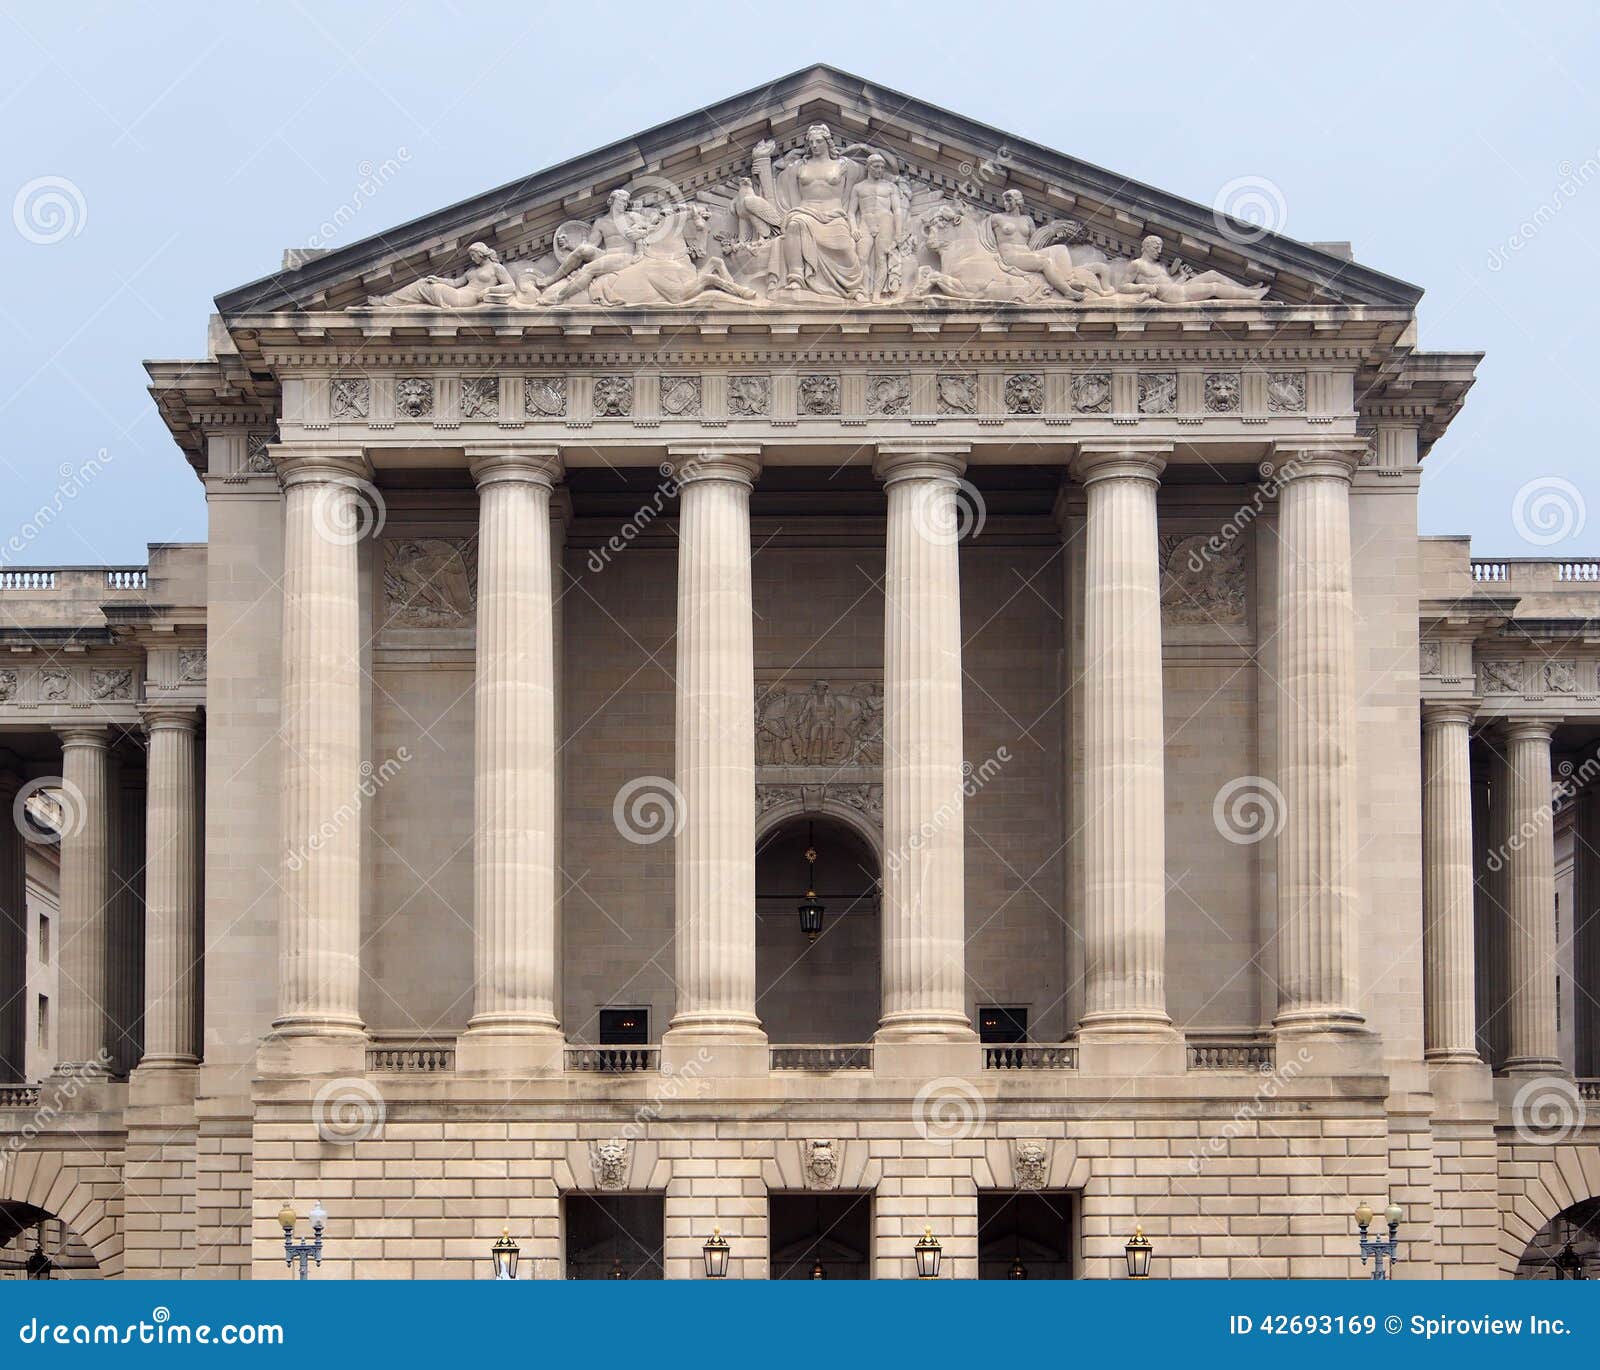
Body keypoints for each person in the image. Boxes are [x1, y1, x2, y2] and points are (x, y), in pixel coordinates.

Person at [1119, 235, 1270, 304]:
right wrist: (1144, 287)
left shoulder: (1160, 266)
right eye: (1156, 247)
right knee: (1213, 287)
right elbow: (1123, 286)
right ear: (1146, 247)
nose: (1159, 251)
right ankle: (1253, 296)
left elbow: (1171, 285)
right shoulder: (1137, 264)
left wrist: (1183, 277)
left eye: (1160, 248)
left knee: (1212, 274)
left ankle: (1246, 289)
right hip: (1171, 295)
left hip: (1176, 289)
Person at [367, 242, 515, 308]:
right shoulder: (471, 270)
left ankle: (386, 302)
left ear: (481, 253)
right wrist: (438, 279)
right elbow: (456, 283)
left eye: (473, 255)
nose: (472, 258)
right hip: (459, 292)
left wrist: (489, 290)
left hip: (467, 299)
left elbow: (511, 286)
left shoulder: (496, 267)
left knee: (426, 287)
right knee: (424, 283)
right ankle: (388, 301)